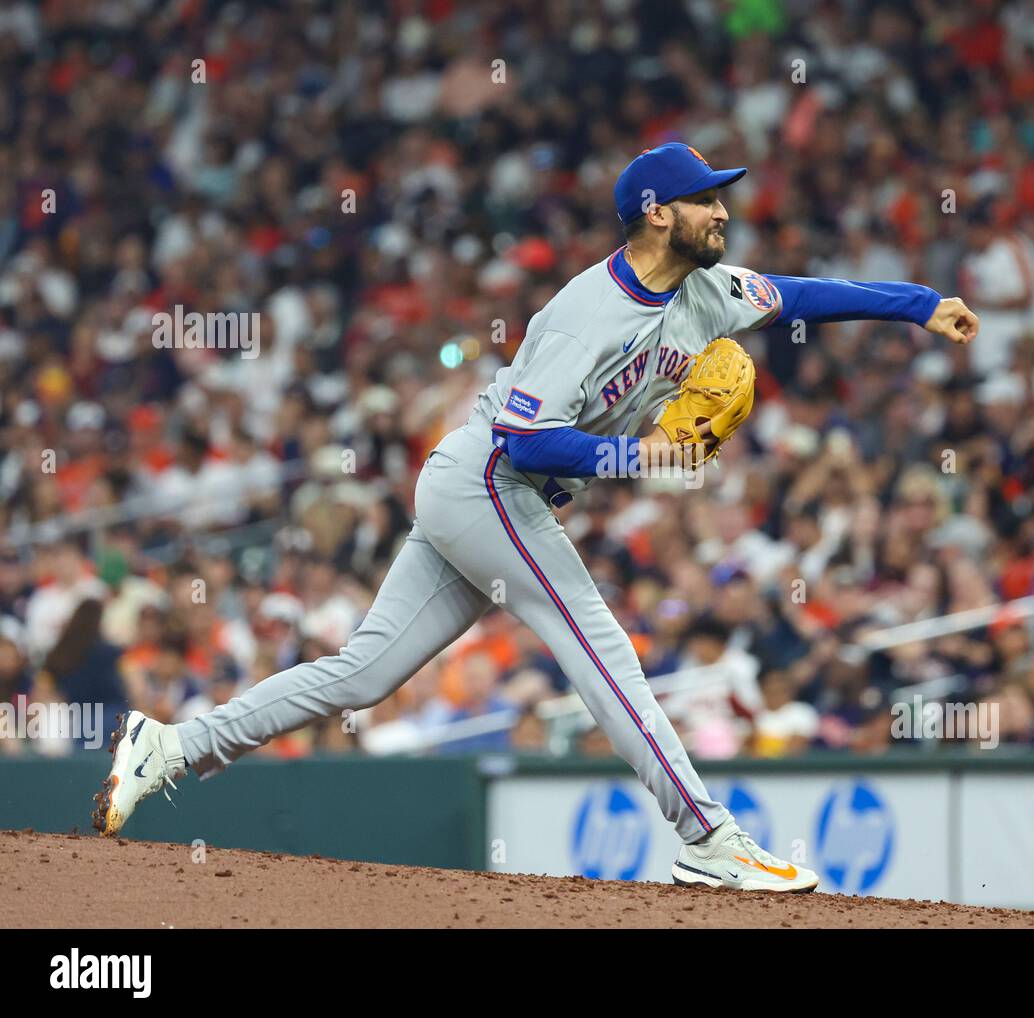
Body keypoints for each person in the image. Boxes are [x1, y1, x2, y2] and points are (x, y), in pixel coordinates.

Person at [92, 142, 978, 893]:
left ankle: (170, 746)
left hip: (480, 493)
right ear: (657, 212)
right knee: (598, 642)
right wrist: (639, 457)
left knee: (363, 675)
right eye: (708, 198)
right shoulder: (585, 313)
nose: (724, 210)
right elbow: (524, 441)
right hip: (488, 480)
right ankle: (708, 838)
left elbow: (809, 295)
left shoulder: (711, 291)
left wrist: (918, 306)